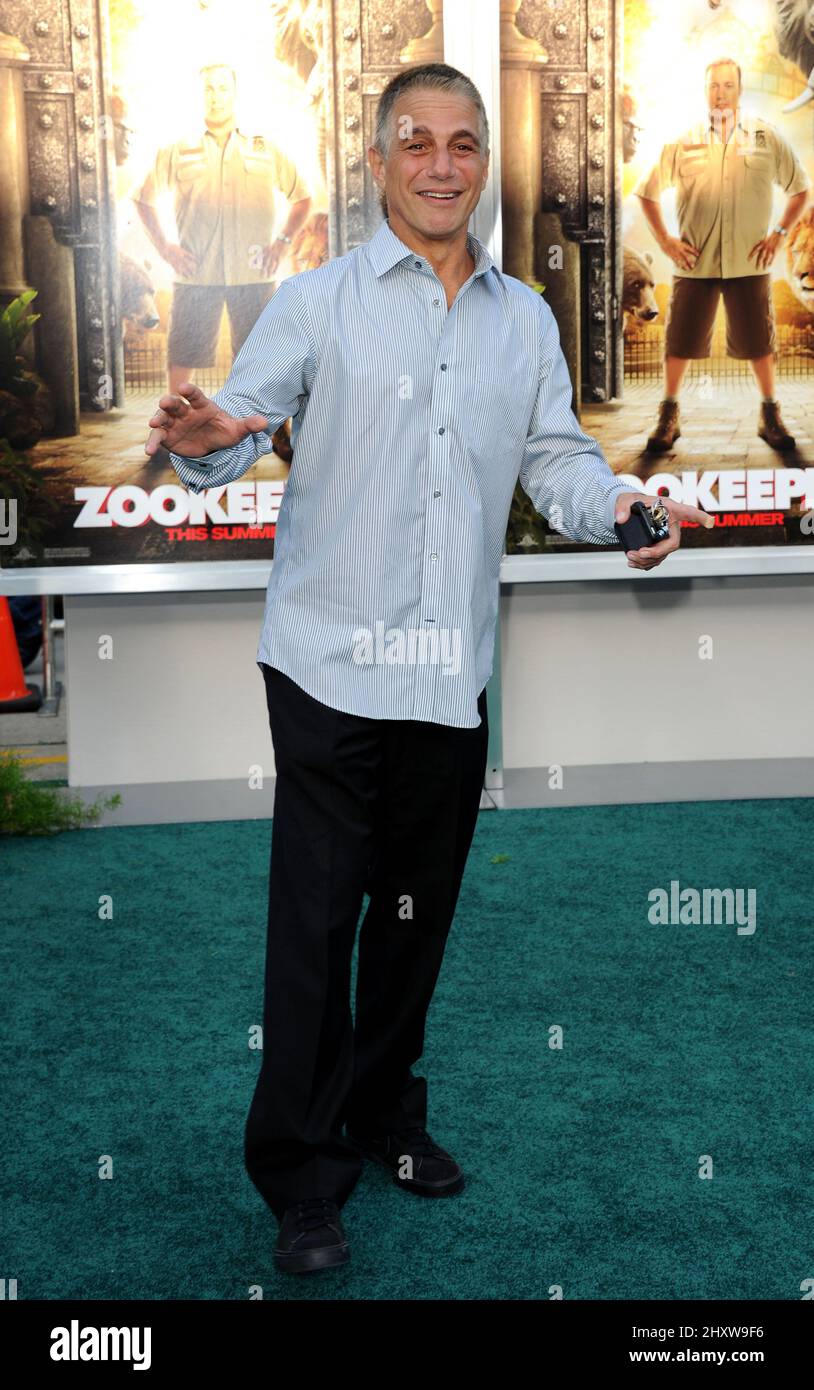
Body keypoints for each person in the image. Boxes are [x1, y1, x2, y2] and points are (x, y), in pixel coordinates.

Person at [144, 62, 713, 1276]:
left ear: (481, 161)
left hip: (446, 673)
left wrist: (620, 505)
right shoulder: (317, 302)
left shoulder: (522, 320)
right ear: (378, 161)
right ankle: (302, 1177)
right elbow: (237, 415)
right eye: (418, 143)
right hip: (325, 662)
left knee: (413, 918)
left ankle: (386, 1117)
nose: (443, 165)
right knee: (317, 924)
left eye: (463, 143)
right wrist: (204, 442)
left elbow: (554, 461)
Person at [635, 56, 810, 453]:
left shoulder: (766, 137)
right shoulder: (682, 142)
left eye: (728, 86)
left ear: (740, 90)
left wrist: (779, 234)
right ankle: (669, 415)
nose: (720, 93)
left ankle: (770, 414)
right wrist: (665, 241)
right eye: (714, 85)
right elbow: (647, 193)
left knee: (760, 343)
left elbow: (800, 189)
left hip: (750, 262)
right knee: (678, 342)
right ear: (705, 90)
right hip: (694, 264)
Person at [133, 62, 312, 393]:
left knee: (260, 359)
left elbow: (302, 198)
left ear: (235, 93)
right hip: (196, 275)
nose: (216, 97)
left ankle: (273, 429)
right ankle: (176, 426)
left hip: (254, 276)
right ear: (200, 95)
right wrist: (165, 248)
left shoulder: (264, 148)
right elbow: (143, 201)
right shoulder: (177, 150)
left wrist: (283, 242)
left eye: (223, 88)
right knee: (184, 356)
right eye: (209, 89)